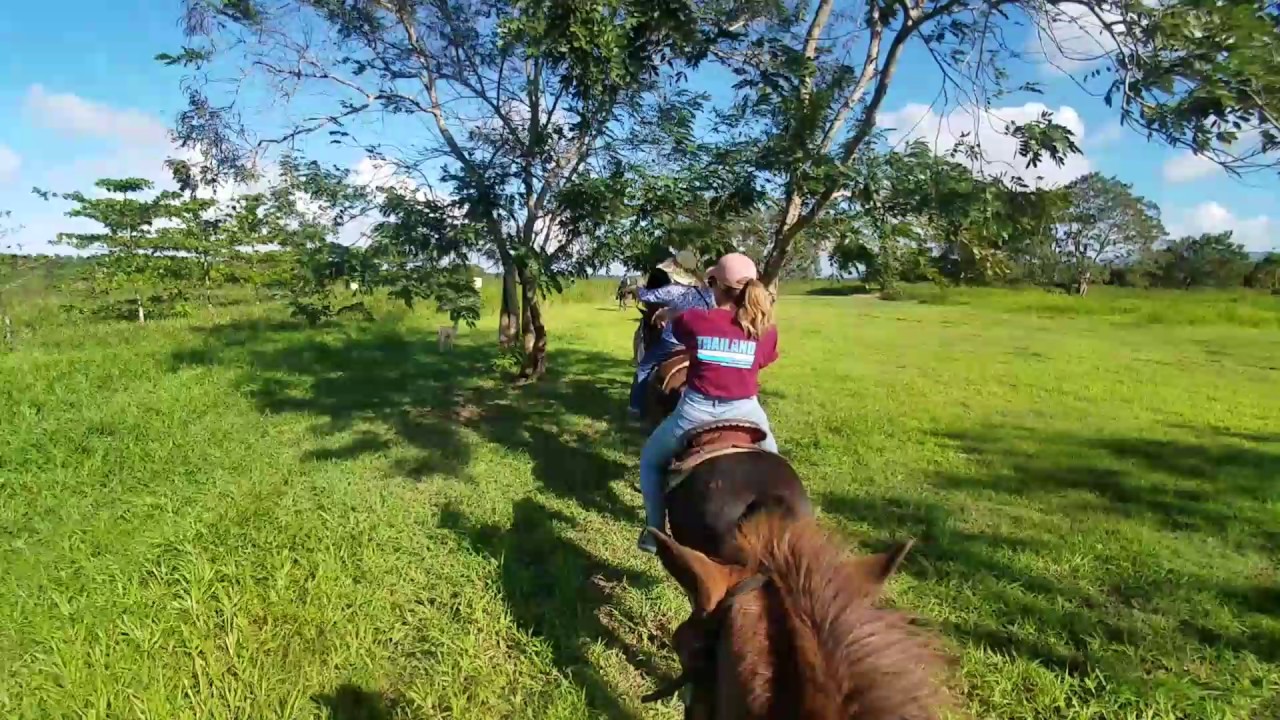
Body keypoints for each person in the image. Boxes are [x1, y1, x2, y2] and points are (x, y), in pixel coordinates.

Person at [636, 252, 778, 554]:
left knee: (650, 460)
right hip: (747, 411)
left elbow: (682, 332)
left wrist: (670, 315)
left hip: (696, 411)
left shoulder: (696, 320)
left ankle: (654, 531)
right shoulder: (766, 329)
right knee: (776, 466)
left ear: (715, 285)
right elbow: (762, 361)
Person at [627, 253, 715, 416]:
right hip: (699, 342)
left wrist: (634, 289)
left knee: (644, 368)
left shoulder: (673, 290)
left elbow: (647, 295)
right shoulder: (707, 293)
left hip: (674, 342)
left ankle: (635, 407)